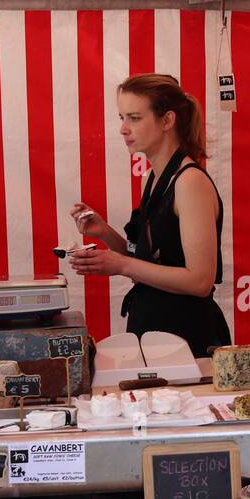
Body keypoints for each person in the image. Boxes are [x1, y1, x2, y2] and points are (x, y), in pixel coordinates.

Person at [67, 73, 232, 358]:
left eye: (134, 118)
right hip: (153, 332)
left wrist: (120, 265)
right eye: (122, 117)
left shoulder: (189, 182)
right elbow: (145, 258)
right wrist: (105, 233)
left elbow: (200, 280)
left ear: (167, 121)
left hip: (187, 336)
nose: (122, 128)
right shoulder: (153, 178)